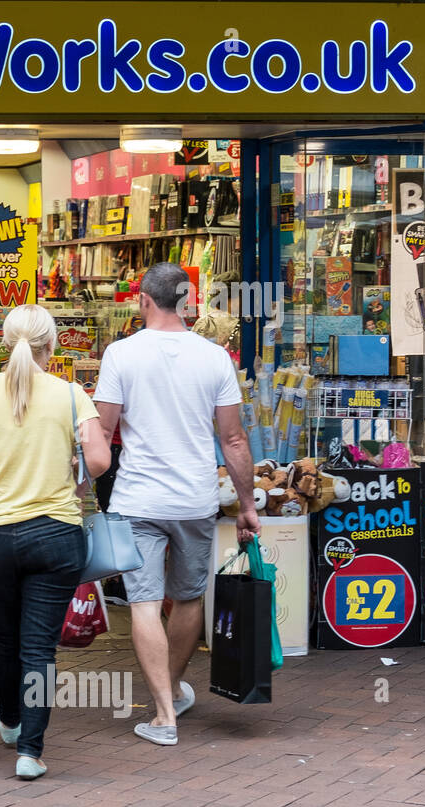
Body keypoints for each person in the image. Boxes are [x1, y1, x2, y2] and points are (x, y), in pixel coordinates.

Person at [0, 304, 111, 780]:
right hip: (56, 535)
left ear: (3, 344)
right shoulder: (71, 394)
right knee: (40, 648)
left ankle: (9, 721)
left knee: (5, 637)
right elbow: (99, 459)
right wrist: (73, 479)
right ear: (51, 348)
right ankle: (30, 752)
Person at [93, 262, 257, 747]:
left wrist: (80, 486)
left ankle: (164, 712)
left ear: (144, 300)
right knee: (186, 598)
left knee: (143, 601)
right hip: (194, 499)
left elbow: (103, 432)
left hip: (138, 498)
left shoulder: (120, 354)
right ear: (186, 302)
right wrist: (247, 504)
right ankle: (174, 688)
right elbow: (234, 439)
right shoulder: (214, 358)